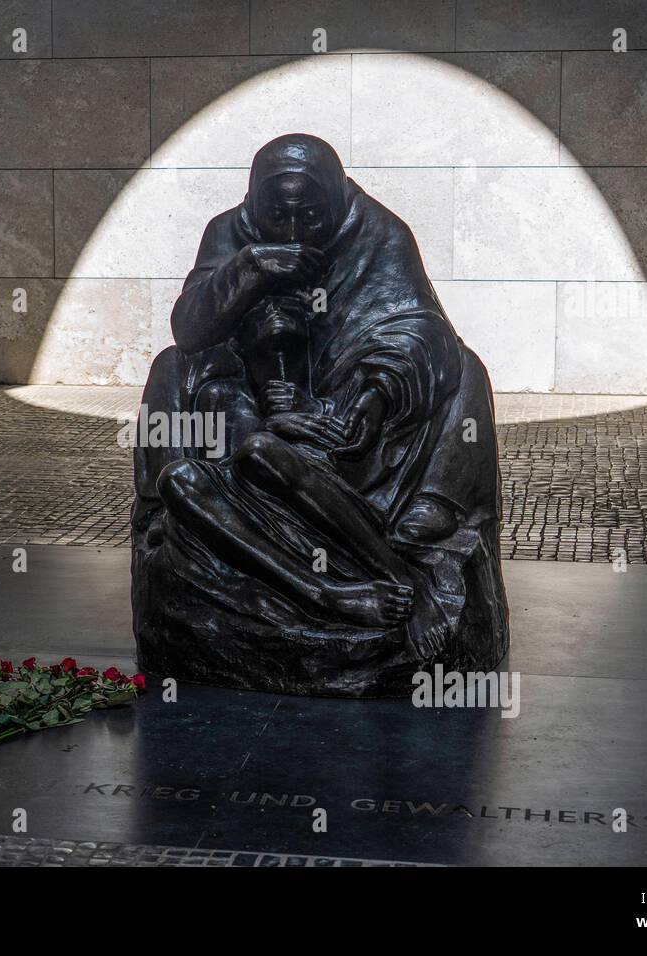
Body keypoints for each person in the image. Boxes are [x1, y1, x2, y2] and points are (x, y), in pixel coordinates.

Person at [132, 133, 508, 693]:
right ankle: (172, 522)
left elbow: (416, 329)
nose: (292, 230)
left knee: (466, 369)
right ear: (254, 203)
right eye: (276, 214)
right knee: (172, 372)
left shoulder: (380, 233)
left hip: (349, 400)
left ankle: (422, 526)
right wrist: (251, 266)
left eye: (310, 215)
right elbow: (190, 329)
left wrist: (368, 401)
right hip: (247, 401)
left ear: (337, 200)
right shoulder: (230, 234)